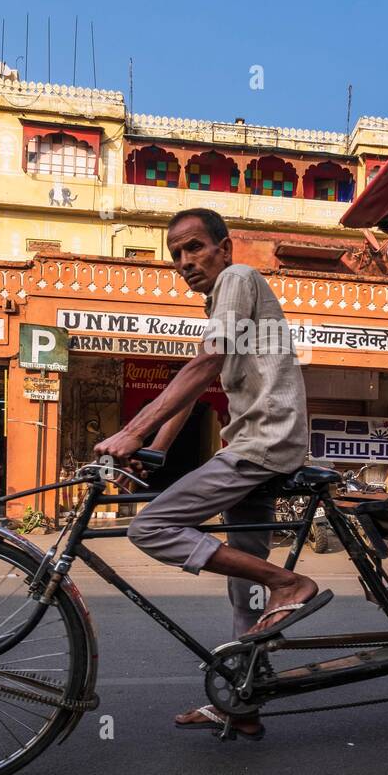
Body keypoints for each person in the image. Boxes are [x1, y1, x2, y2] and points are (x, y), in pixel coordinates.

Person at [94, 207, 317, 738]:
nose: (185, 261)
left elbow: (203, 367)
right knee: (246, 594)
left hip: (264, 445)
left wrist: (133, 431)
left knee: (150, 527)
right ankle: (245, 704)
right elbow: (194, 393)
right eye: (176, 254)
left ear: (225, 248)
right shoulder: (224, 302)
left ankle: (290, 583)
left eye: (194, 247)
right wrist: (155, 448)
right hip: (256, 445)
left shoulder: (239, 279)